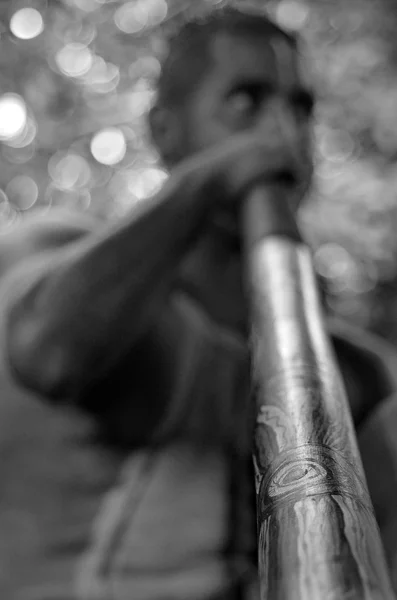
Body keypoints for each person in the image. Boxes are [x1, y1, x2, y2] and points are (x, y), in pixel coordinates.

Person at [1, 5, 397, 600]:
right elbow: (49, 351)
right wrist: (212, 179)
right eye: (246, 100)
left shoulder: (354, 374)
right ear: (166, 130)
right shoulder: (57, 251)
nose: (285, 133)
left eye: (300, 109)